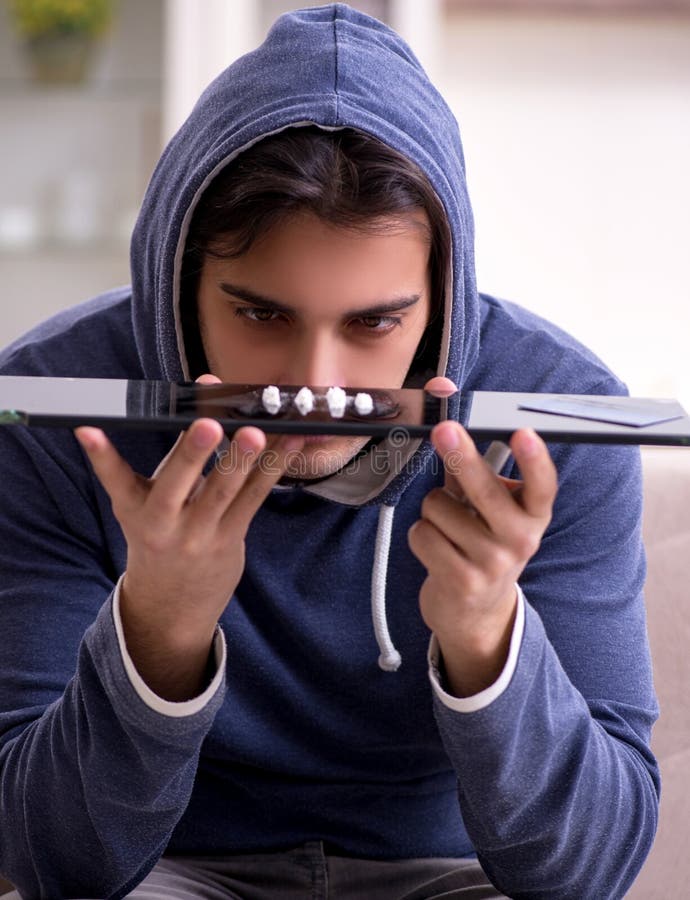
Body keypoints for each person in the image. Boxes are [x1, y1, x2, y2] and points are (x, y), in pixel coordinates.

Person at [0, 5, 659, 899]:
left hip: (447, 869)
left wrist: (489, 638)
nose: (315, 385)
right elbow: (48, 868)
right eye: (262, 315)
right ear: (177, 280)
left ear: (443, 301)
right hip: (169, 868)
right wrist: (156, 630)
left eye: (374, 323)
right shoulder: (45, 407)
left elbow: (589, 877)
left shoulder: (563, 416)